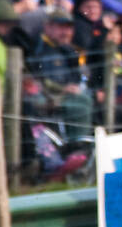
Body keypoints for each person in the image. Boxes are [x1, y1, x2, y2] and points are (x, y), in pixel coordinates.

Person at [26, 9, 94, 141]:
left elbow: (81, 75)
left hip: (67, 94)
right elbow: (40, 79)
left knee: (91, 97)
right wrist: (63, 89)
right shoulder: (38, 48)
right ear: (48, 27)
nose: (66, 33)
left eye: (69, 28)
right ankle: (78, 145)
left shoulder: (69, 50)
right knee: (81, 104)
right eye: (61, 27)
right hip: (49, 97)